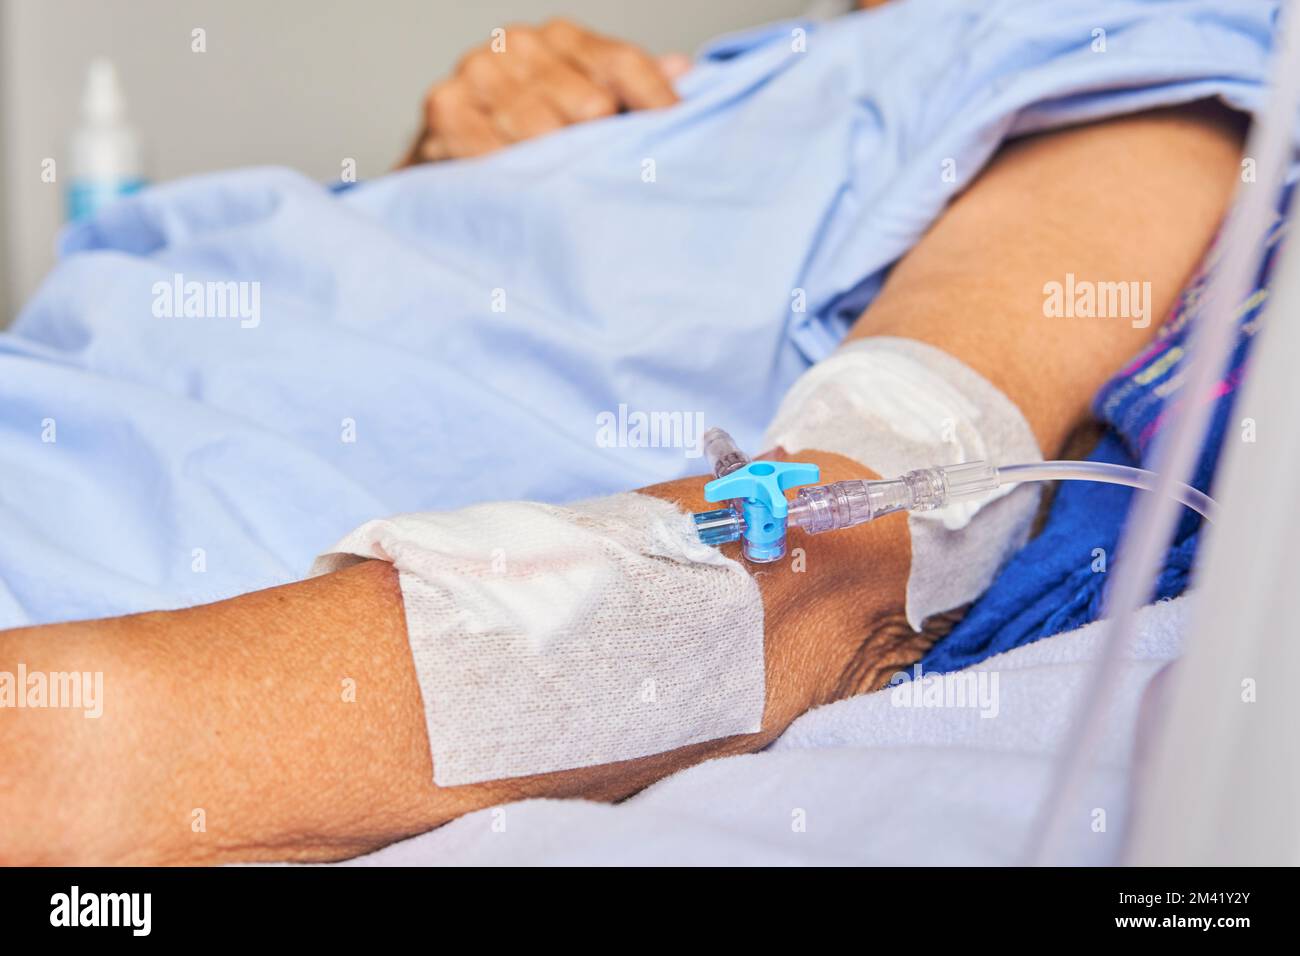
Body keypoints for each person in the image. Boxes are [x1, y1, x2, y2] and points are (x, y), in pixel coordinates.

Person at [0, 6, 1254, 864]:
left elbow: (867, 536)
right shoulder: (699, 75)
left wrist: (80, 746)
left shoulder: (1138, 55)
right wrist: (430, 173)